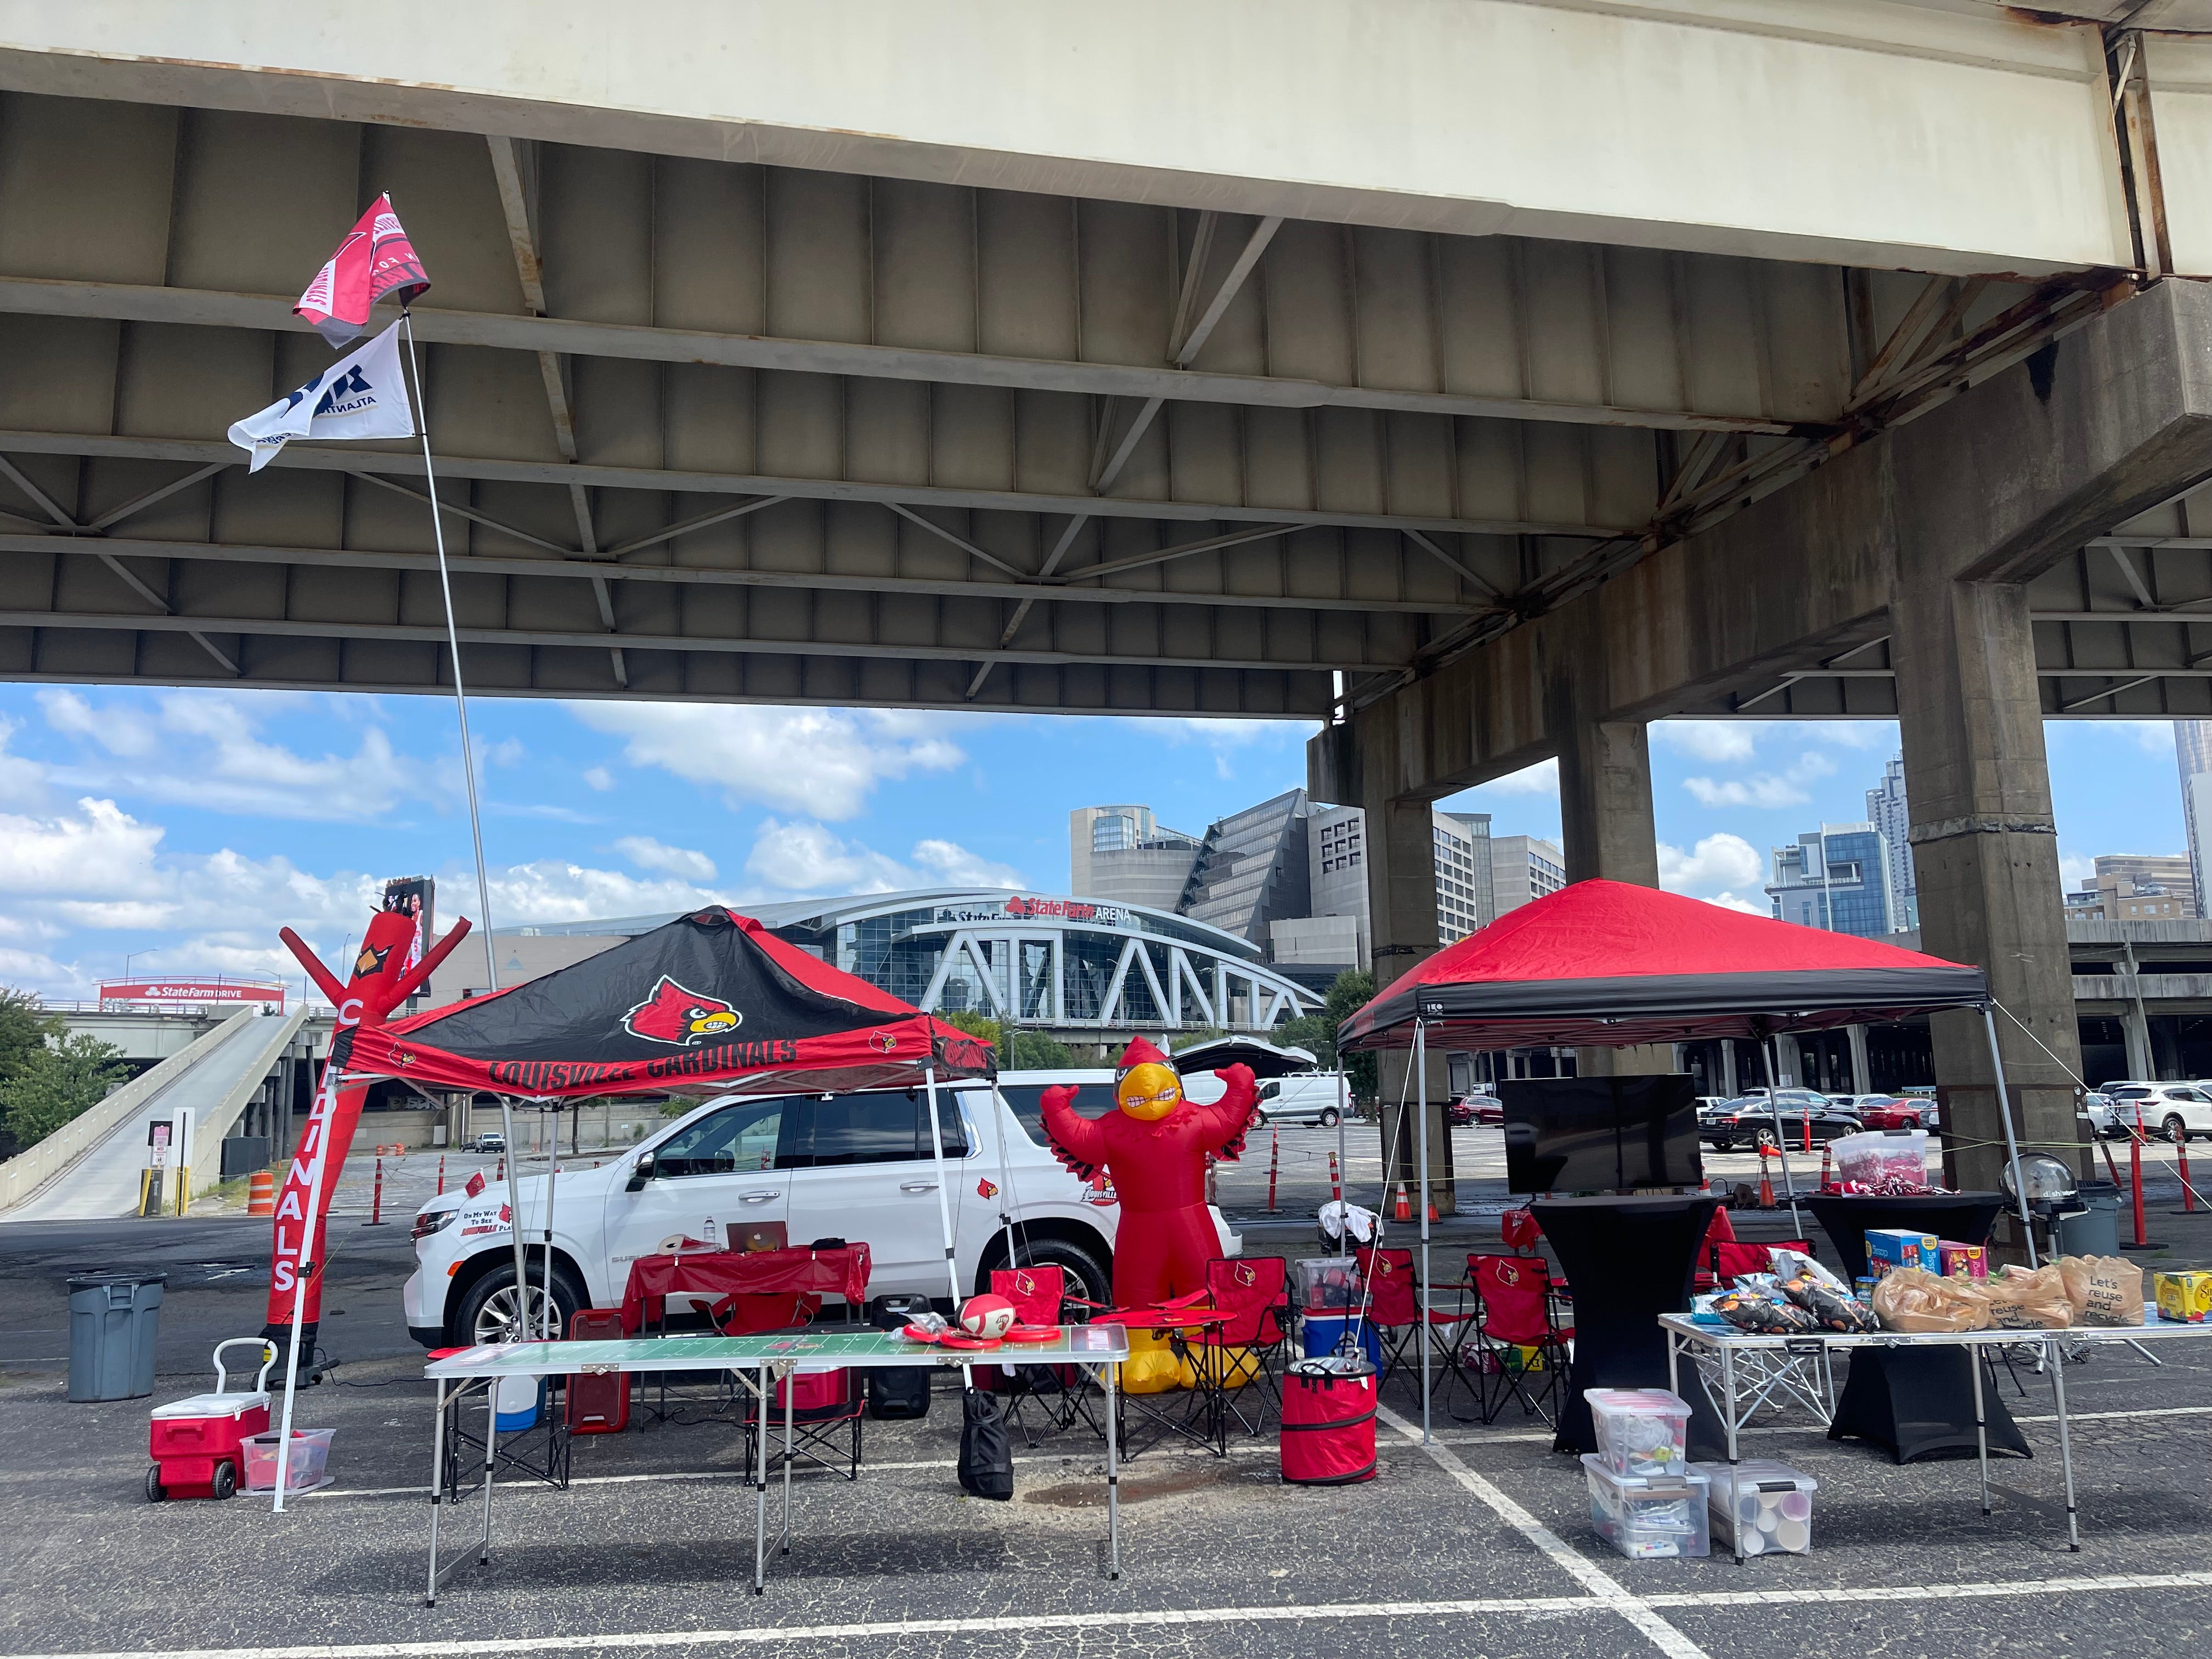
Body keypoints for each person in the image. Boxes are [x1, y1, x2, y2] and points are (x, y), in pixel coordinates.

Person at [1039, 1037, 1257, 1308]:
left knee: (1149, 1288)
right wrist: (1239, 1085)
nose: (1152, 1101)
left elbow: (1077, 1136)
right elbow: (1228, 1117)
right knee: (1190, 1286)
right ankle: (1200, 1342)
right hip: (1185, 1225)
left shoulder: (1113, 1129)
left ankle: (1161, 1342)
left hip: (1151, 1228)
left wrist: (1057, 1109)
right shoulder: (1195, 1120)